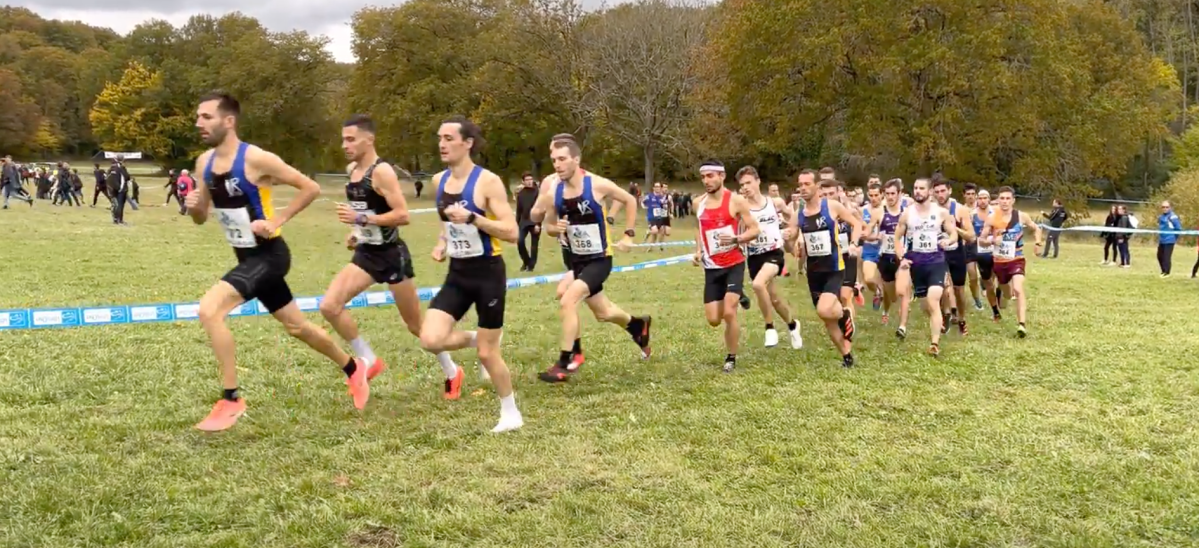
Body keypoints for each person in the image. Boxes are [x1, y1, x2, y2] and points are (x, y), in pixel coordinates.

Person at [185, 92, 366, 431]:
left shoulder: (256, 159)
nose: (199, 123)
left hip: (270, 255)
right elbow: (200, 217)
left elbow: (309, 187)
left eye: (206, 117)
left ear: (229, 121)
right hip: (246, 257)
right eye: (198, 116)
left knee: (210, 310)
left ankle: (231, 398)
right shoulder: (204, 164)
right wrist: (195, 205)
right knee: (297, 326)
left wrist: (277, 220)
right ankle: (353, 369)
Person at [318, 114, 467, 400]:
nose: (344, 145)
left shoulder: (381, 171)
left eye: (350, 139)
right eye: (343, 139)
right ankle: (369, 360)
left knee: (417, 328)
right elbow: (366, 211)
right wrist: (356, 231)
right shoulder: (352, 170)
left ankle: (452, 371)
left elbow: (402, 216)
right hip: (367, 253)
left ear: (369, 139)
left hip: (391, 256)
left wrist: (361, 219)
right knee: (329, 306)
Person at [418, 115, 523, 433]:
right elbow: (446, 221)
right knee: (429, 339)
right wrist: (441, 242)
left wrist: (475, 218)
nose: (442, 144)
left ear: (468, 143)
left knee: (488, 355)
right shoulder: (439, 181)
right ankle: (480, 338)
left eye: (449, 138)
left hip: (488, 274)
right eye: (440, 138)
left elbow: (512, 232)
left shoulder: (487, 182)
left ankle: (510, 413)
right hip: (457, 273)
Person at [538, 138, 651, 382]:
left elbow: (630, 200)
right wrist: (554, 228)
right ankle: (637, 326)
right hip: (574, 261)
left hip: (599, 259)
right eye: (553, 159)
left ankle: (567, 359)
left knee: (567, 299)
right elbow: (547, 226)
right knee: (604, 313)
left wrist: (629, 235)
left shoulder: (596, 184)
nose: (557, 164)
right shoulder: (553, 189)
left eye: (562, 159)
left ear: (576, 159)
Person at [693, 160, 761, 373]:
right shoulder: (698, 203)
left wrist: (736, 239)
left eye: (711, 176)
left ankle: (731, 357)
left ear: (722, 176)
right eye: (703, 177)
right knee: (714, 319)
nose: (707, 181)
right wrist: (698, 251)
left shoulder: (736, 201)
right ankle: (739, 294)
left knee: (729, 313)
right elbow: (699, 228)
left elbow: (755, 229)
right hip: (712, 266)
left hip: (734, 262)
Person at [787, 177, 861, 367]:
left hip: (834, 268)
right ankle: (846, 356)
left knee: (824, 308)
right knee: (827, 318)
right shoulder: (799, 215)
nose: (802, 188)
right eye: (800, 185)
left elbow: (857, 224)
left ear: (817, 187)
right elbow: (792, 243)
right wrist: (788, 240)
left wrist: (853, 244)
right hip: (814, 272)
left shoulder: (832, 207)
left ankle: (844, 314)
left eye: (807, 184)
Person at [892, 177, 958, 356]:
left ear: (930, 192)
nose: (918, 191)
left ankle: (934, 343)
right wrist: (901, 258)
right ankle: (941, 318)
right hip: (916, 263)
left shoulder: (941, 213)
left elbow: (953, 234)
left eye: (922, 188)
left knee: (933, 299)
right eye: (915, 188)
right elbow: (897, 238)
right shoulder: (907, 214)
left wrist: (948, 240)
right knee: (925, 305)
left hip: (936, 261)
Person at [737, 165, 801, 348]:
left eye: (749, 182)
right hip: (755, 256)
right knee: (774, 299)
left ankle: (769, 328)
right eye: (742, 185)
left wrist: (791, 231)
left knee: (757, 284)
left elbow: (794, 218)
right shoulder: (742, 208)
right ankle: (793, 325)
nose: (746, 187)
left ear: (758, 181)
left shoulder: (775, 203)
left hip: (774, 253)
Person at [979, 186, 1042, 338]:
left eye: (1008, 198)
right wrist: (993, 241)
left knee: (1019, 289)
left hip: (1017, 259)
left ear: (1013, 200)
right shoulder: (992, 218)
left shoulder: (1021, 216)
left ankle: (1022, 324)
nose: (1005, 201)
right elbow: (981, 241)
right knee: (1007, 294)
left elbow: (1036, 229)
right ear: (998, 200)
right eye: (1002, 198)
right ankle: (1003, 295)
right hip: (999, 262)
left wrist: (1038, 243)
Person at [932, 178, 976, 336]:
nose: (940, 195)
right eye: (936, 192)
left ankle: (962, 319)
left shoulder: (960, 210)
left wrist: (954, 229)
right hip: (938, 253)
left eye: (943, 191)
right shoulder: (930, 209)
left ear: (949, 191)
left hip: (957, 253)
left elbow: (971, 236)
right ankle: (945, 315)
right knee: (941, 287)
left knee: (958, 290)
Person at [970, 190, 1003, 320]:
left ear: (989, 199)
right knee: (988, 282)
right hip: (981, 251)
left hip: (996, 250)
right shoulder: (972, 215)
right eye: (980, 198)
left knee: (1000, 277)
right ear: (977, 200)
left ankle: (1000, 293)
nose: (982, 200)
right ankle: (995, 311)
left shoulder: (995, 213)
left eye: (985, 198)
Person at [860, 182, 884, 310]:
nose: (874, 198)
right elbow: (860, 232)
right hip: (869, 247)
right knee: (868, 279)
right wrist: (872, 237)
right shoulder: (863, 210)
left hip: (885, 248)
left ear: (882, 195)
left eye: (876, 195)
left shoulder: (887, 209)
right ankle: (878, 292)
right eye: (871, 195)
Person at [515, 172, 541, 271]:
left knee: (534, 245)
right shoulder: (521, 194)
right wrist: (516, 224)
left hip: (535, 222)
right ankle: (526, 261)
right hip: (524, 221)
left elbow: (540, 209)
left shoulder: (538, 192)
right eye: (527, 180)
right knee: (520, 241)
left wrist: (538, 223)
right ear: (523, 182)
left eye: (531, 179)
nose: (529, 182)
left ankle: (531, 266)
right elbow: (518, 210)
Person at [1156, 201, 1182, 277]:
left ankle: (1167, 272)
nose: (1165, 209)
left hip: (1170, 239)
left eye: (1167, 207)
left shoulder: (1173, 217)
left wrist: (1174, 237)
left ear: (1170, 207)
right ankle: (1163, 271)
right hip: (1162, 239)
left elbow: (1178, 228)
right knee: (1159, 256)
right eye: (1163, 207)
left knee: (1166, 256)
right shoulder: (1161, 217)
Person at [643, 182, 671, 251]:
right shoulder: (649, 196)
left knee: (658, 234)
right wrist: (645, 207)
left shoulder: (661, 197)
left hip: (659, 217)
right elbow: (642, 201)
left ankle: (650, 248)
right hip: (651, 217)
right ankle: (648, 232)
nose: (658, 188)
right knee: (655, 231)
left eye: (659, 187)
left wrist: (667, 213)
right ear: (653, 188)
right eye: (656, 186)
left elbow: (664, 207)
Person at [109, 158, 131, 225]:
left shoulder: (111, 169)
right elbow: (127, 177)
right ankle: (119, 220)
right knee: (120, 205)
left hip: (114, 189)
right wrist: (119, 188)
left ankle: (116, 219)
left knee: (116, 204)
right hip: (121, 189)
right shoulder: (121, 169)